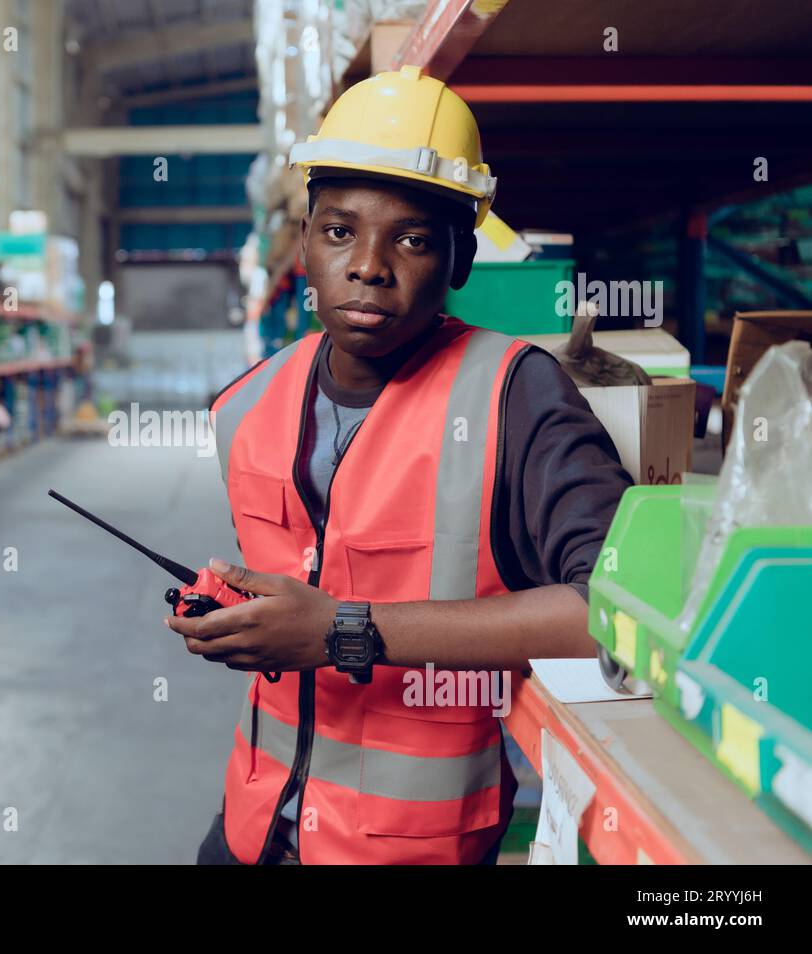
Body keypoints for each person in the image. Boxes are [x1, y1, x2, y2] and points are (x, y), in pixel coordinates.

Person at [166, 66, 634, 865]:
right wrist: (232, 616)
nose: (369, 265)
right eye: (340, 230)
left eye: (412, 238)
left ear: (458, 261)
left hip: (413, 847)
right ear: (307, 242)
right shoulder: (246, 406)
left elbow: (617, 618)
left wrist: (346, 631)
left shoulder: (516, 395)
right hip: (257, 816)